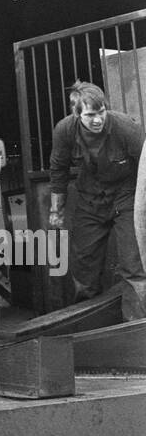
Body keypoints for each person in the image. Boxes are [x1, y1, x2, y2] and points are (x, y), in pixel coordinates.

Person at [48, 82, 145, 321]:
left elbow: (145, 166)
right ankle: (88, 326)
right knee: (84, 264)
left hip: (127, 196)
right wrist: (56, 210)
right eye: (90, 115)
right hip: (90, 199)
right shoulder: (65, 130)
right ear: (77, 113)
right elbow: (58, 170)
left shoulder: (125, 127)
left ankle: (137, 326)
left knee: (133, 265)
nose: (98, 120)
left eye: (101, 112)